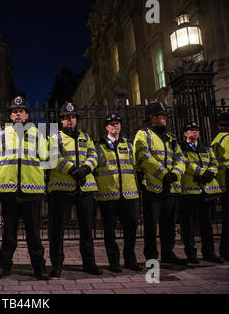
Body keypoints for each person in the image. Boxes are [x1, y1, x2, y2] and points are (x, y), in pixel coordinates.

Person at [0, 96, 49, 280]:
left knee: (33, 233)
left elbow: (46, 158)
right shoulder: (0, 135)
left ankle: (39, 267)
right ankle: (4, 266)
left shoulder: (37, 134)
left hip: (31, 191)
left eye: (21, 111)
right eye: (14, 111)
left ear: (26, 115)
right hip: (9, 192)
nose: (17, 114)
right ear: (10, 115)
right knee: (8, 233)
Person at [48, 101, 102, 277]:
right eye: (66, 118)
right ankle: (57, 264)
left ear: (76, 119)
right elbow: (53, 156)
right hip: (61, 188)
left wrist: (86, 168)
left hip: (84, 188)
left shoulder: (85, 137)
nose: (70, 120)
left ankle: (89, 263)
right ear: (61, 120)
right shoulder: (54, 137)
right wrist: (72, 169)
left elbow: (94, 154)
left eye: (72, 117)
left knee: (87, 228)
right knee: (58, 229)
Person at [134, 101, 187, 265]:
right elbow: (144, 158)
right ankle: (151, 255)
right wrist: (164, 174)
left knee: (169, 223)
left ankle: (168, 252)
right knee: (151, 224)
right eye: (160, 115)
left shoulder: (171, 137)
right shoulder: (143, 135)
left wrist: (175, 174)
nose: (164, 118)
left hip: (171, 186)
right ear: (151, 119)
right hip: (153, 187)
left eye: (164, 115)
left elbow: (181, 158)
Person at [94, 113, 142, 272]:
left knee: (131, 228)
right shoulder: (99, 146)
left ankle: (130, 259)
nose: (115, 126)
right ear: (106, 127)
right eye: (112, 124)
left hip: (129, 194)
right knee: (109, 230)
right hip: (108, 194)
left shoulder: (128, 145)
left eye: (117, 123)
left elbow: (134, 167)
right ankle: (113, 261)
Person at [179, 121, 223, 264]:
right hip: (190, 191)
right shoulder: (181, 148)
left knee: (206, 225)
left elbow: (214, 163)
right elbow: (184, 163)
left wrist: (211, 173)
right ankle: (191, 253)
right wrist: (203, 172)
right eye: (191, 130)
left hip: (207, 192)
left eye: (196, 130)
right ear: (185, 133)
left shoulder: (207, 148)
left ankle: (209, 252)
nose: (194, 132)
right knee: (188, 225)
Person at [211, 112, 229, 261]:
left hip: (222, 184)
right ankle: (226, 251)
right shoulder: (227, 139)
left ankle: (225, 250)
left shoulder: (216, 140)